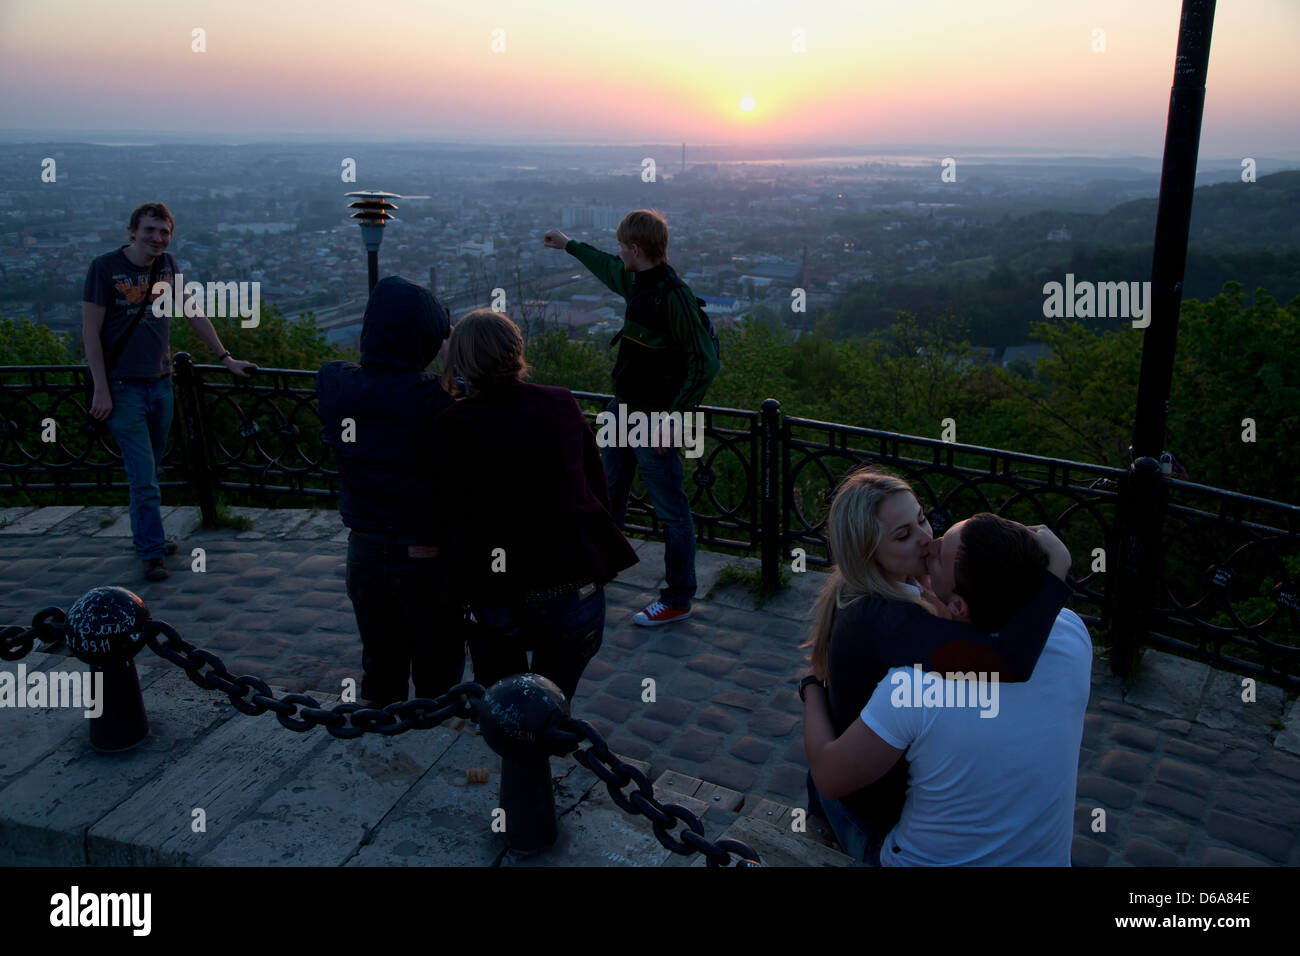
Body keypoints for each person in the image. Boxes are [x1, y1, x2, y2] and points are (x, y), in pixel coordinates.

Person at [799, 467, 1073, 863]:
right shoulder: (889, 619)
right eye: (903, 535)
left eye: (921, 518)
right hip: (872, 812)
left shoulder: (882, 592)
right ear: (866, 553)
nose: (926, 538)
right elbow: (1009, 661)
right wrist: (1056, 569)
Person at [432, 309, 638, 702]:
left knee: (506, 712)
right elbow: (597, 488)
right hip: (573, 585)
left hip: (499, 593)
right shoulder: (560, 404)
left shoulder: (454, 423)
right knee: (553, 707)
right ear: (515, 351)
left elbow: (449, 514)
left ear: (461, 359)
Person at [543, 209, 719, 627]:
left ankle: (678, 597)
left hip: (655, 417)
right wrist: (568, 244)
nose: (619, 251)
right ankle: (599, 570)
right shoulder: (638, 280)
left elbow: (705, 362)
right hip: (624, 408)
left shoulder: (673, 296)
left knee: (671, 510)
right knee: (608, 490)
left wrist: (675, 419)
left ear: (636, 249)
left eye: (623, 245)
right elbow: (604, 264)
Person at [82, 201, 257, 581]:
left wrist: (226, 358)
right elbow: (90, 334)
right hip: (123, 387)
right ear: (132, 231)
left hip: (162, 383)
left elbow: (192, 312)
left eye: (164, 232)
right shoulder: (105, 268)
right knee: (144, 476)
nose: (157, 238)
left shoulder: (167, 265)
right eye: (150, 230)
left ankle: (149, 537)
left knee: (150, 471)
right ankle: (151, 552)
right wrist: (101, 389)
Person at [316, 276, 463, 707]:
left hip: (364, 550)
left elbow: (351, 369)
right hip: (425, 554)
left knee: (381, 665)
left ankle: (380, 754)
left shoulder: (335, 385)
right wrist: (449, 351)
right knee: (439, 673)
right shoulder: (439, 401)